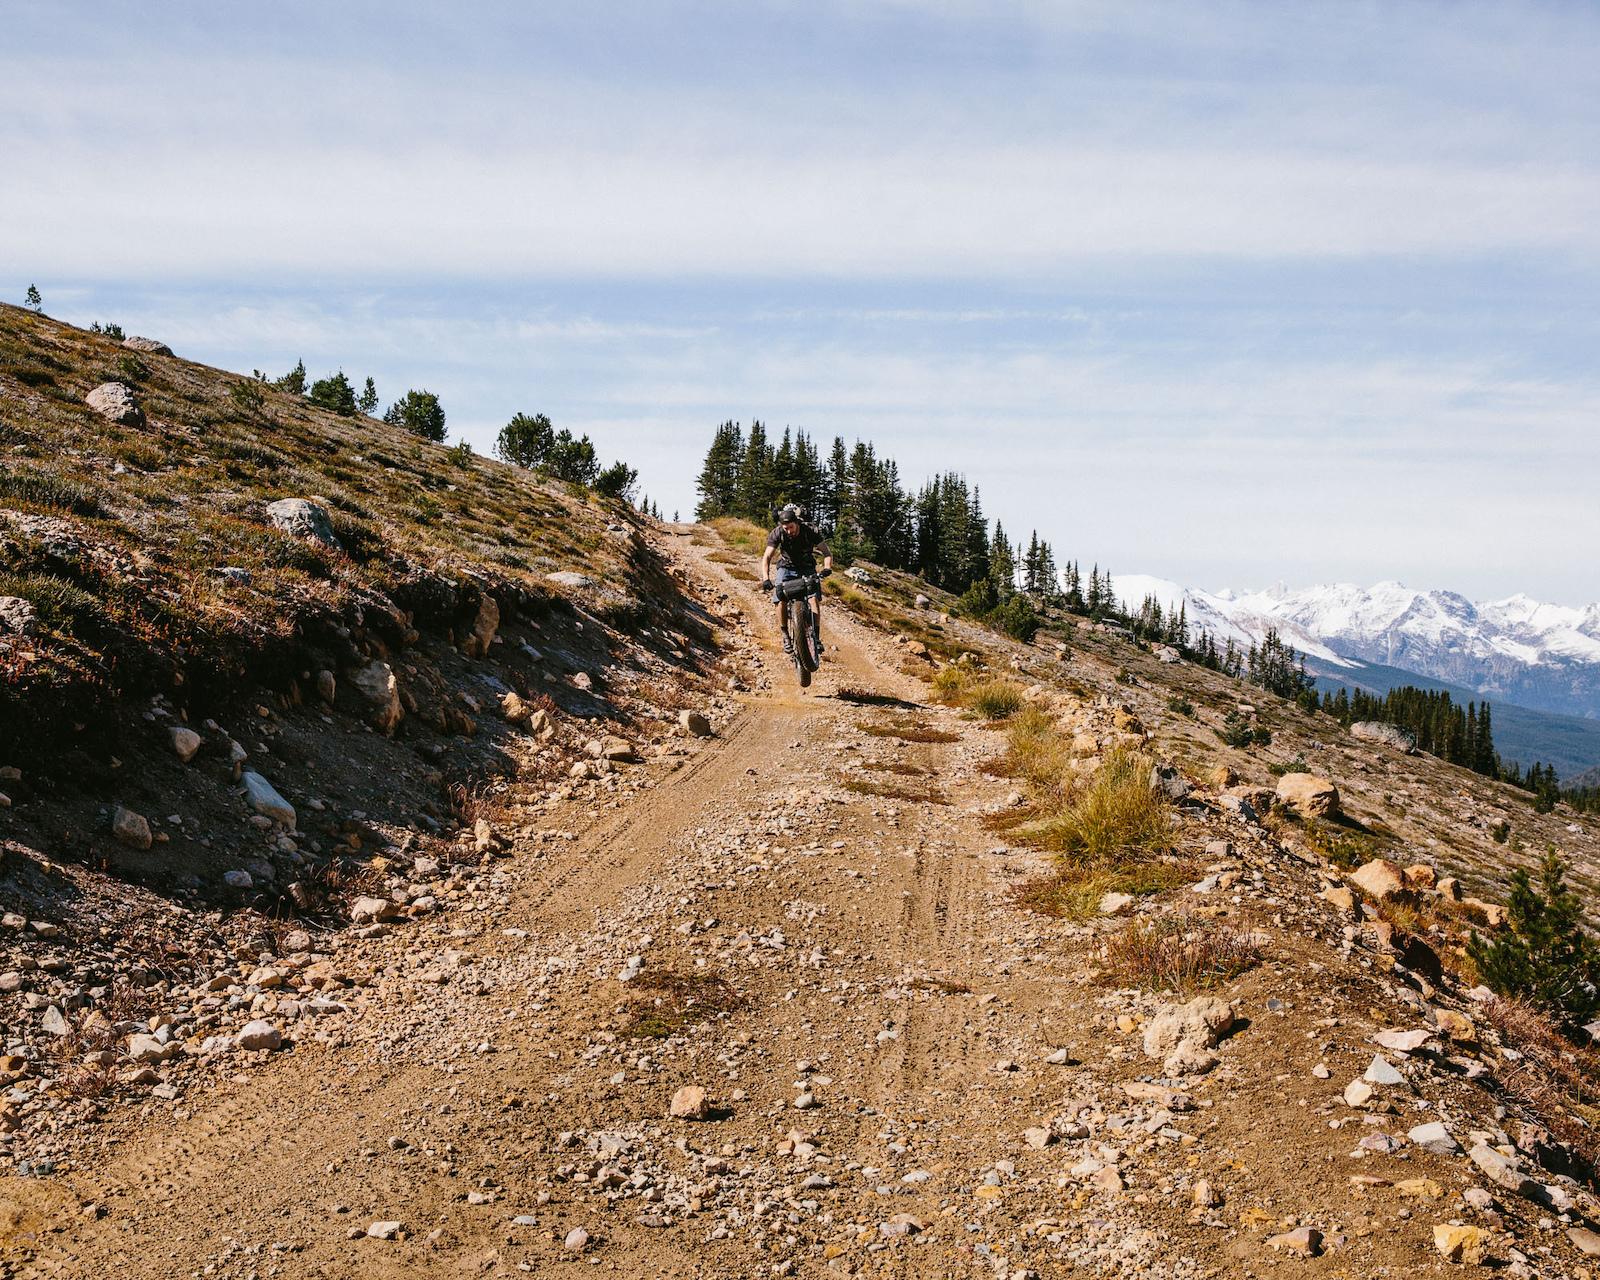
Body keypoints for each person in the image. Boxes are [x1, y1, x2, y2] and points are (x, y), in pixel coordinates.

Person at [759, 505, 832, 655]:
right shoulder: (778, 533)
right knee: (781, 599)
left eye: (791, 527)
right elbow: (767, 557)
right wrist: (766, 579)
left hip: (807, 567)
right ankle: (785, 635)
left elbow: (827, 553)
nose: (788, 531)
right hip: (786, 568)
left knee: (813, 599)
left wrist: (827, 568)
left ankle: (816, 637)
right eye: (785, 528)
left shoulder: (809, 531)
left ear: (797, 523)